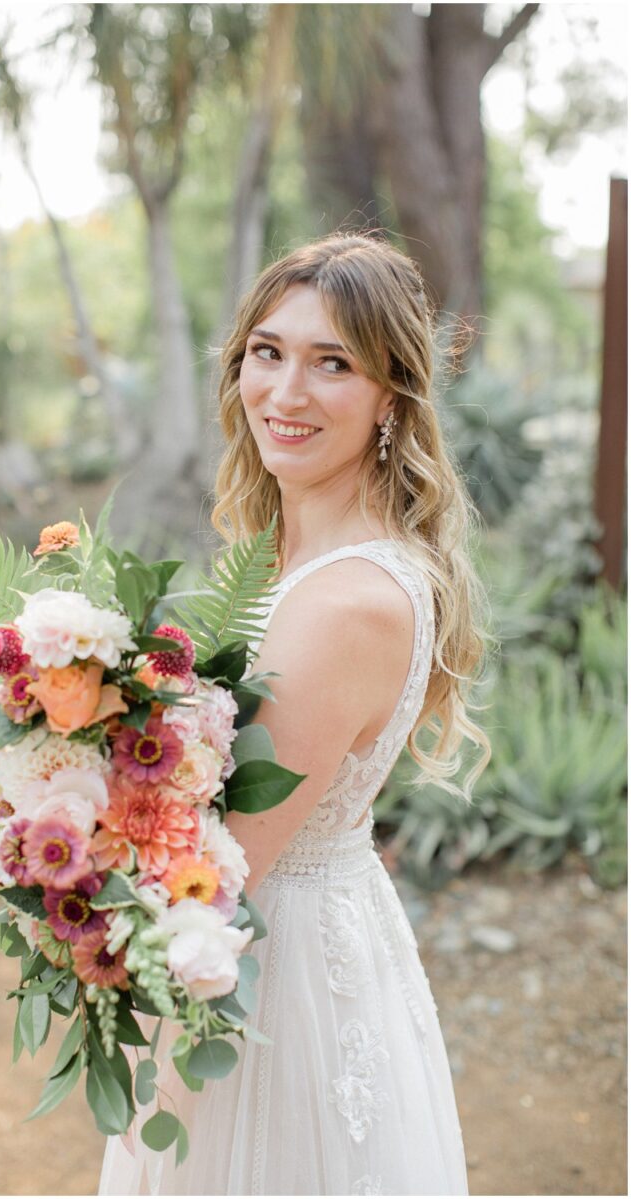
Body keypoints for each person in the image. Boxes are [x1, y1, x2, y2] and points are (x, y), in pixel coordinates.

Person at [98, 233, 490, 1194]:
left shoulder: (345, 603)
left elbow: (220, 862)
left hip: (274, 978)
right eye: (267, 353)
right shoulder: (303, 565)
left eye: (333, 364)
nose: (285, 392)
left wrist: (63, 814)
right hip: (296, 934)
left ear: (391, 396)